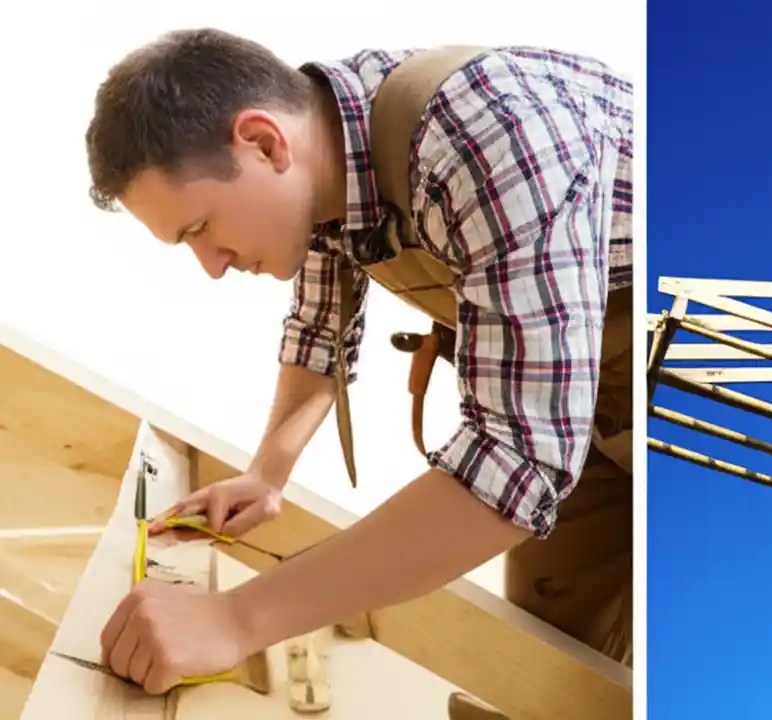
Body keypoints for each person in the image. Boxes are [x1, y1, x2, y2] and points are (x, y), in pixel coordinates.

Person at [83, 28, 633, 717]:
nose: (212, 266)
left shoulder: (494, 140)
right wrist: (268, 473)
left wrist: (237, 619)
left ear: (263, 143)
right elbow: (321, 329)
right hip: (568, 399)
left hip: (701, 391)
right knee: (548, 678)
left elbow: (517, 462)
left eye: (199, 228)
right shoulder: (326, 146)